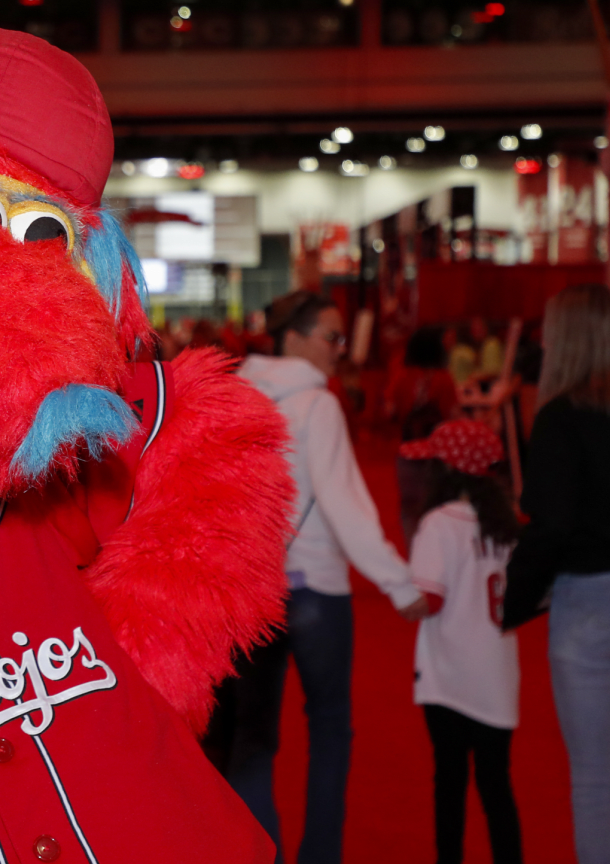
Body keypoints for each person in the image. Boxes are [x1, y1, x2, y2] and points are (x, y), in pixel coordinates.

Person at [213, 290, 428, 864]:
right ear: (297, 338)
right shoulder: (318, 406)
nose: (340, 350)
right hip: (318, 590)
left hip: (253, 589)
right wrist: (399, 585)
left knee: (253, 741)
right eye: (332, 337)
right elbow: (344, 503)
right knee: (331, 727)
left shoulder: (233, 395)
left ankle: (260, 853)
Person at [503, 283, 610, 864]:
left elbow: (550, 526)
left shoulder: (561, 419)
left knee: (593, 785)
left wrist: (513, 600)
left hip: (590, 605)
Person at [401, 420, 522, 864]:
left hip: (450, 676)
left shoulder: (439, 523)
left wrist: (396, 590)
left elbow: (429, 599)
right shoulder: (505, 525)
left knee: (449, 781)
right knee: (496, 785)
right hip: (497, 674)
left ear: (445, 471)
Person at [389, 326, 460, 541]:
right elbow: (452, 415)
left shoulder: (401, 376)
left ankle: (415, 554)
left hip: (406, 453)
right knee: (437, 509)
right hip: (436, 456)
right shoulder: (443, 378)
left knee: (409, 509)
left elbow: (390, 410)